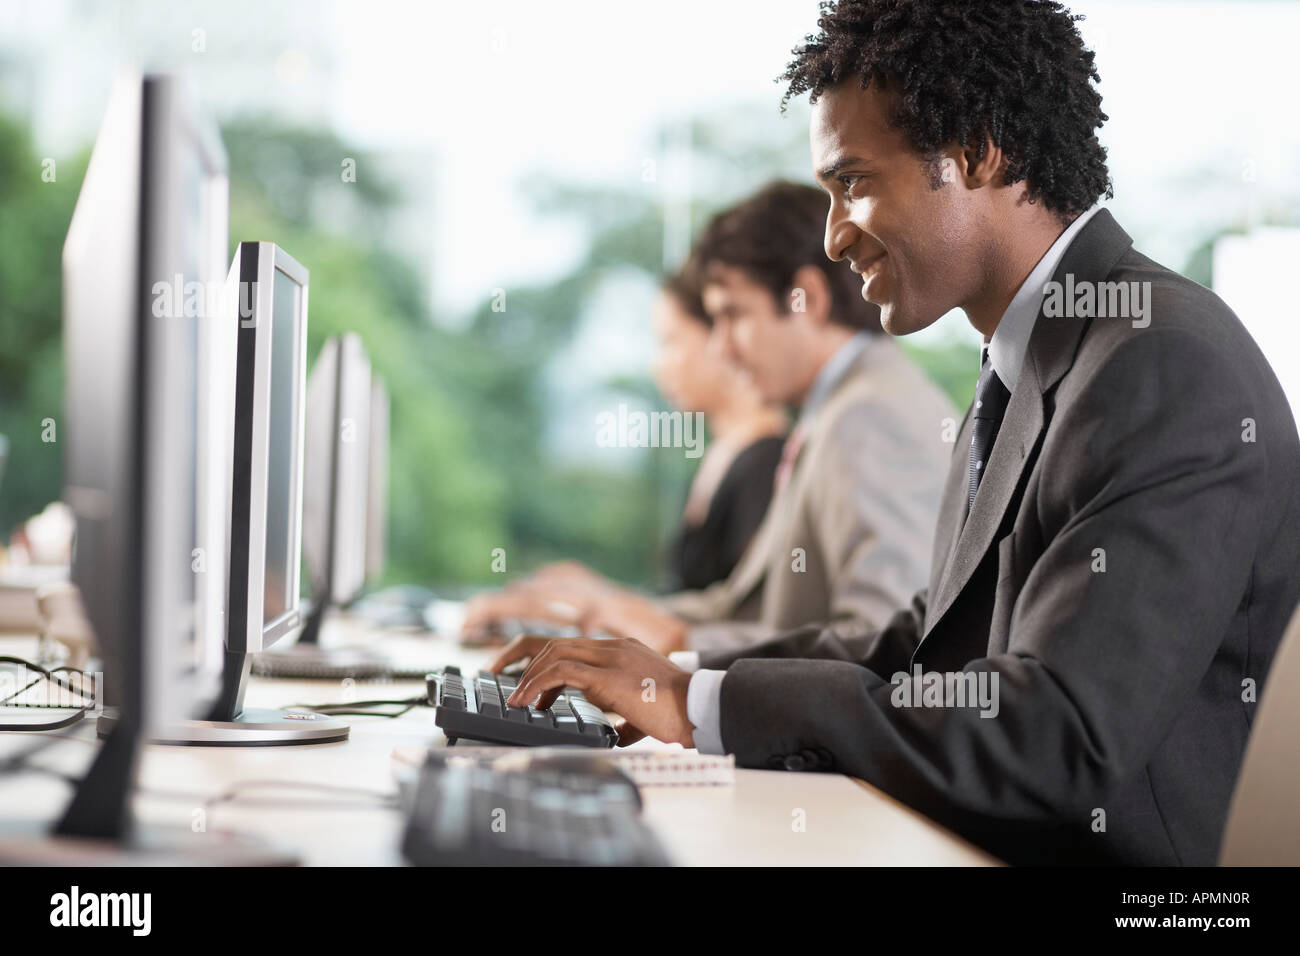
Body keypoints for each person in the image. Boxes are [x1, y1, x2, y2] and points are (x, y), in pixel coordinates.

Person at [488, 0, 1300, 866]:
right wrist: (665, 678)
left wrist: (695, 700)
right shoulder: (1029, 359)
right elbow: (926, 640)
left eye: (854, 183)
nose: (836, 236)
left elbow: (1056, 735)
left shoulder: (1158, 362)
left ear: (980, 150)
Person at [466, 181, 956, 655]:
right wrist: (608, 613)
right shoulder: (841, 407)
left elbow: (887, 642)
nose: (721, 347)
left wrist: (684, 644)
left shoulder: (868, 415)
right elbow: (744, 610)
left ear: (807, 297)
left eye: (734, 315)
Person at [653, 268, 788, 592]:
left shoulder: (766, 462)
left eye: (670, 341)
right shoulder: (726, 451)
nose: (657, 365)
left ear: (719, 335)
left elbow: (745, 617)